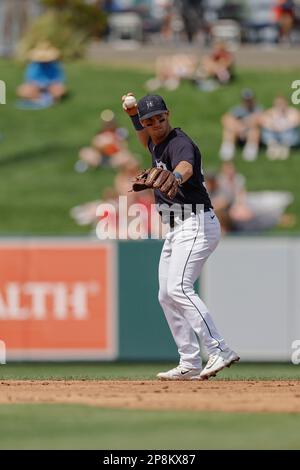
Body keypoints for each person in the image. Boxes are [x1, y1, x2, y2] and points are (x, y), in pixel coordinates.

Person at [122, 92, 240, 380]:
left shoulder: (179, 142)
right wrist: (132, 113)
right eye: (150, 121)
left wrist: (174, 178)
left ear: (168, 115)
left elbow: (185, 166)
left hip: (196, 221)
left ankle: (218, 348)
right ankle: (189, 360)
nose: (157, 124)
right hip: (177, 227)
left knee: (179, 288)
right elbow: (142, 137)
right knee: (165, 294)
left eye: (160, 118)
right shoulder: (153, 140)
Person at [17, 41, 67, 105]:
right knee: (24, 90)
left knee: (58, 90)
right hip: (36, 87)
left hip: (51, 86)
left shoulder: (56, 66)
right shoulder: (32, 66)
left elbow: (58, 80)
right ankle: (37, 98)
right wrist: (37, 86)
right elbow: (30, 80)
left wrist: (50, 86)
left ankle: (50, 98)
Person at [219, 88, 263, 162]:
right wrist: (238, 126)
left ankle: (250, 152)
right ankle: (228, 150)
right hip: (238, 132)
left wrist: (245, 125)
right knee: (229, 128)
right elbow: (225, 119)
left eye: (249, 100)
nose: (247, 102)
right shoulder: (237, 109)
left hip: (251, 133)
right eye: (246, 100)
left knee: (254, 130)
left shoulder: (258, 109)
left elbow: (259, 120)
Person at [259, 95, 300, 160]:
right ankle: (272, 146)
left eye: (282, 103)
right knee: (266, 131)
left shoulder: (292, 111)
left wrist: (284, 127)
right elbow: (262, 120)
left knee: (290, 131)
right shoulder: (271, 112)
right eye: (278, 103)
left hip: (288, 134)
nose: (280, 105)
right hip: (274, 134)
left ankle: (284, 148)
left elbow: (296, 122)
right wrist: (273, 126)